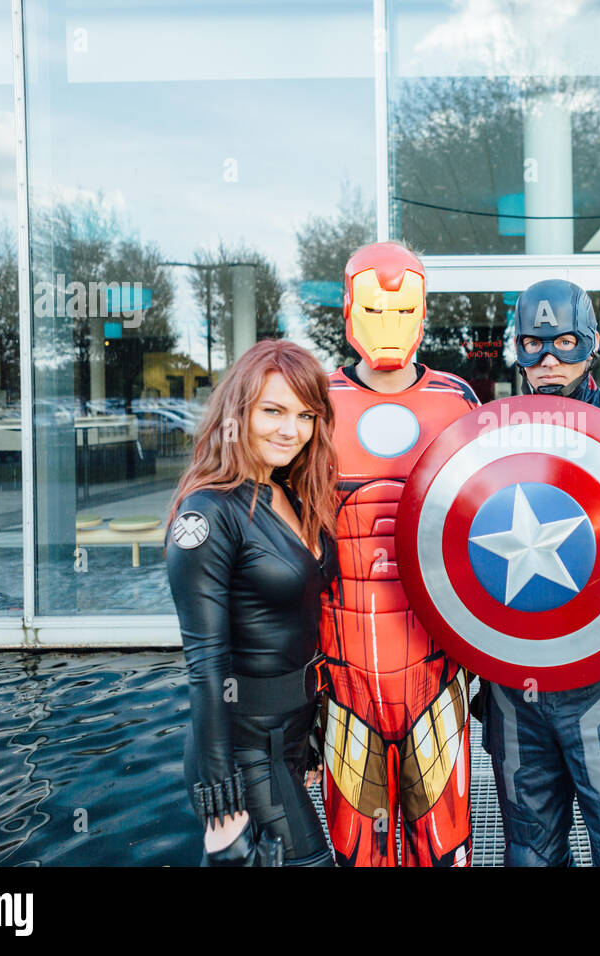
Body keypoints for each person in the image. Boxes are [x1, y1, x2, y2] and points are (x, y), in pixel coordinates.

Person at [477, 278, 600, 867]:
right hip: (514, 682)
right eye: (534, 344)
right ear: (517, 347)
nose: (550, 359)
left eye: (565, 341)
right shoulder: (486, 438)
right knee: (529, 852)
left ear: (593, 343)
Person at [319, 241, 480, 866]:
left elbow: (481, 527)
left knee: (443, 841)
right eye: (373, 308)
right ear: (347, 309)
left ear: (423, 310)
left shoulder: (457, 403)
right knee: (356, 843)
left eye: (404, 307)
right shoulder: (315, 401)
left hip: (434, 666)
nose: (389, 324)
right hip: (341, 665)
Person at [166, 338, 339, 867]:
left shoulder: (288, 491)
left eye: (306, 415)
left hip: (288, 735)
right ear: (238, 411)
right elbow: (205, 663)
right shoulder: (207, 513)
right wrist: (220, 796)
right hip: (242, 748)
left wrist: (310, 733)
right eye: (273, 411)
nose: (292, 429)